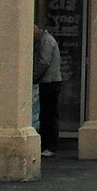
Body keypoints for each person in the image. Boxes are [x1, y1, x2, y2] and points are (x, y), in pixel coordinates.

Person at [33, 22, 64, 158]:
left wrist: (32, 77)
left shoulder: (46, 41)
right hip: (49, 80)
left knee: (49, 114)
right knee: (46, 114)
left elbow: (43, 62)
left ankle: (50, 145)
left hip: (50, 81)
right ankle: (46, 144)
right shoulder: (44, 40)